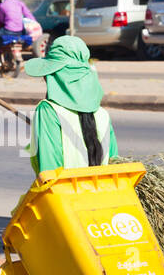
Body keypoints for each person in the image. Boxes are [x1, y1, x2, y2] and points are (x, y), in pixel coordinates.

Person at [0, 35, 118, 275]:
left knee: (33, 271)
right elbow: (113, 164)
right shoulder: (104, 116)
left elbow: (47, 171)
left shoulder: (48, 112)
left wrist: (42, 130)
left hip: (61, 212)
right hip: (103, 211)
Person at [23, 35, 117, 176]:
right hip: (102, 195)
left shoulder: (48, 111)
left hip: (66, 196)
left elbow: (50, 173)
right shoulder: (102, 114)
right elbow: (115, 164)